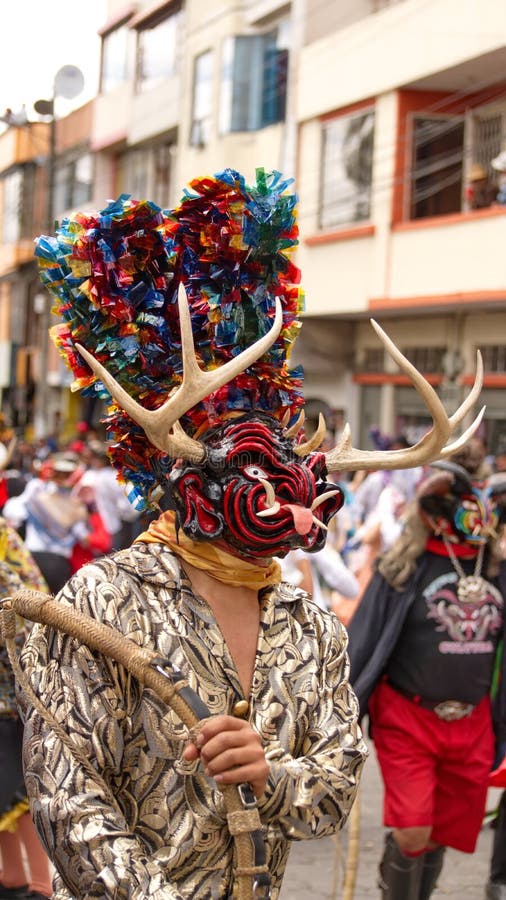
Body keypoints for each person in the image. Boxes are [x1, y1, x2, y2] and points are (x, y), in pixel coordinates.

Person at [17, 169, 481, 899]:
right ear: (190, 479)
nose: (295, 512)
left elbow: (333, 789)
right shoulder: (101, 603)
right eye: (260, 482)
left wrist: (272, 773)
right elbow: (68, 799)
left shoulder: (312, 628)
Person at [347, 440, 506, 900]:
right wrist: (339, 719)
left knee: (439, 834)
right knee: (414, 829)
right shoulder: (402, 568)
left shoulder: (494, 569)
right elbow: (361, 644)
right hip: (408, 717)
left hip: (472, 723)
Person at [0, 517, 53, 899]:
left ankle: (39, 885)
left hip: (9, 694)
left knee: (15, 791)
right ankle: (16, 880)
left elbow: (28, 605)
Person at [4, 454, 90, 594]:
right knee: (55, 610)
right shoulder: (77, 505)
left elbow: (13, 512)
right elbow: (84, 537)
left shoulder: (36, 493)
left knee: (30, 607)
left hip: (32, 561)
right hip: (57, 563)